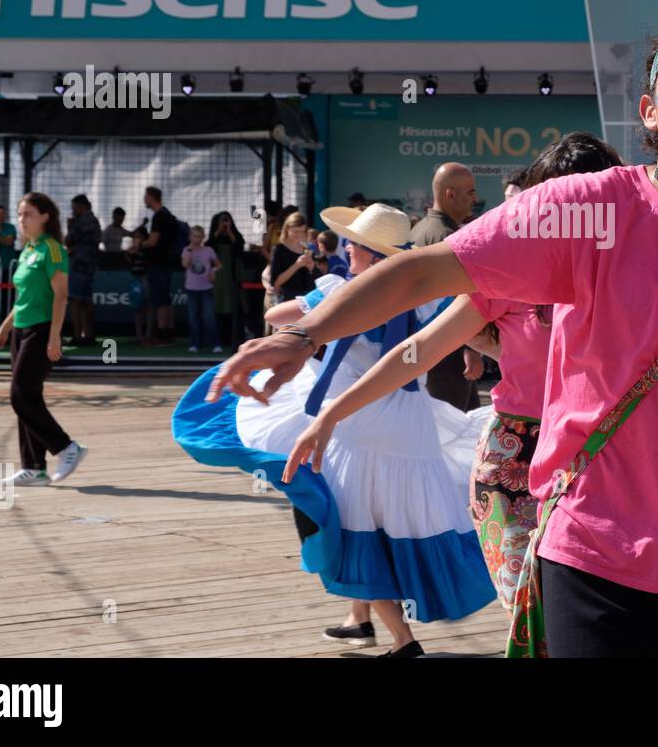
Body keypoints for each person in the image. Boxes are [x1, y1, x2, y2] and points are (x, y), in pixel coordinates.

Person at [213, 13, 658, 658]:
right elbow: (425, 272)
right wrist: (303, 335)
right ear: (650, 112)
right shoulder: (588, 208)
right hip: (595, 557)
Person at [290, 133, 624, 618]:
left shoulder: (632, 280)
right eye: (556, 202)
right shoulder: (513, 275)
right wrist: (332, 415)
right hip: (515, 460)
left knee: (596, 616)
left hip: (607, 461)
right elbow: (417, 351)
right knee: (538, 611)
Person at [174, 203, 494, 657]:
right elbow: (464, 330)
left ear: (370, 256)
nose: (345, 248)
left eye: (353, 245)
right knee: (380, 525)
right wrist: (471, 352)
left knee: (349, 528)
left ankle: (402, 642)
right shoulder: (429, 298)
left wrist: (314, 309)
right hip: (408, 429)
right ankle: (359, 619)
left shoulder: (341, 291)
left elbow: (277, 317)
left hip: (349, 424)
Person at [0, 193, 88, 487]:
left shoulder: (52, 249)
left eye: (28, 214)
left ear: (45, 217)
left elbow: (61, 295)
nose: (21, 220)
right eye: (19, 214)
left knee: (21, 394)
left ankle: (66, 448)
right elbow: (22, 299)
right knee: (26, 397)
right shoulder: (27, 250)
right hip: (21, 329)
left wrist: (55, 335)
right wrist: (4, 329)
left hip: (42, 329)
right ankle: (33, 467)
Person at [409, 162, 483, 412]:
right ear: (450, 194)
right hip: (449, 353)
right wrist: (472, 348)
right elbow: (459, 298)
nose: (476, 198)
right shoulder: (447, 237)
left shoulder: (420, 230)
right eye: (470, 192)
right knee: (452, 435)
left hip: (433, 348)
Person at [141, 186, 179, 345]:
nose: (144, 199)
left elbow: (153, 241)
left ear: (151, 197)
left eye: (145, 196)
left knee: (160, 300)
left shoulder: (159, 216)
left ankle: (162, 335)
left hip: (158, 264)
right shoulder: (169, 215)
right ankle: (168, 332)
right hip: (167, 263)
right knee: (166, 299)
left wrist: (139, 245)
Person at [65, 194, 102, 347]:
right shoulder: (95, 221)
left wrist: (70, 227)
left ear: (81, 206)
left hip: (78, 265)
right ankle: (89, 335)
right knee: (87, 301)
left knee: (75, 300)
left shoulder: (80, 222)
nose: (73, 211)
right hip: (90, 265)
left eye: (74, 208)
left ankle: (77, 336)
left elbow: (68, 240)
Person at [206, 212, 245, 351]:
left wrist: (229, 232)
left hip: (231, 277)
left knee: (232, 307)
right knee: (216, 306)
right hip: (216, 278)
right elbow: (208, 245)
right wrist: (217, 231)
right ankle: (217, 339)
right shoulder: (213, 237)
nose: (224, 223)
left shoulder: (235, 236)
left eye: (226, 220)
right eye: (221, 221)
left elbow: (240, 246)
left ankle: (232, 338)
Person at [182, 225, 222, 354]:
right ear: (190, 237)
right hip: (192, 288)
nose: (196, 239)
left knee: (208, 316)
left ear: (203, 237)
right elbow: (185, 265)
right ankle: (194, 344)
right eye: (194, 236)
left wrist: (213, 271)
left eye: (199, 236)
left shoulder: (208, 250)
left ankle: (215, 344)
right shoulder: (186, 250)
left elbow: (218, 264)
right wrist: (190, 251)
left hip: (206, 288)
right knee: (193, 317)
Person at [269, 211, 315, 306]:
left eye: (302, 231)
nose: (299, 235)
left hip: (304, 300)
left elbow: (312, 281)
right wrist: (297, 265)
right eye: (295, 232)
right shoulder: (279, 249)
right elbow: (275, 282)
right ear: (287, 229)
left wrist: (311, 268)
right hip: (286, 300)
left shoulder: (306, 249)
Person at [126, 227, 153, 344]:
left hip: (145, 278)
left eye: (139, 237)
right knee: (137, 307)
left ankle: (148, 334)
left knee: (147, 306)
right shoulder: (132, 249)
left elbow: (148, 261)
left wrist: (139, 248)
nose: (137, 239)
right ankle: (138, 335)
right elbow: (128, 259)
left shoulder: (147, 249)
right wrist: (131, 252)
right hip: (134, 279)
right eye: (135, 237)